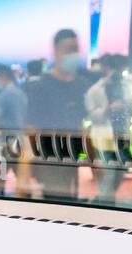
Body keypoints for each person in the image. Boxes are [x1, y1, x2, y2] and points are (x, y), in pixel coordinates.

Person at [25, 28, 93, 198]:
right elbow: (30, 131)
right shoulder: (42, 87)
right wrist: (23, 176)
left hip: (72, 157)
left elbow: (82, 123)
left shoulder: (81, 85)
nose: (73, 55)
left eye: (75, 49)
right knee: (56, 203)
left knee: (70, 201)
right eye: (68, 50)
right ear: (55, 52)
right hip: (49, 161)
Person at [85, 54, 131, 201]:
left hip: (121, 134)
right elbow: (92, 116)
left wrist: (126, 105)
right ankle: (106, 205)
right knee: (107, 174)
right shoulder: (95, 89)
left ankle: (101, 201)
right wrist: (108, 108)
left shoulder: (125, 87)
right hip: (103, 137)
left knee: (120, 171)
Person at [0, 63, 28, 194]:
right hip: (18, 133)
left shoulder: (5, 95)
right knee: (7, 162)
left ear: (2, 77)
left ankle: (7, 188)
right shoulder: (20, 93)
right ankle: (0, 187)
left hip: (9, 134)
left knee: (11, 163)